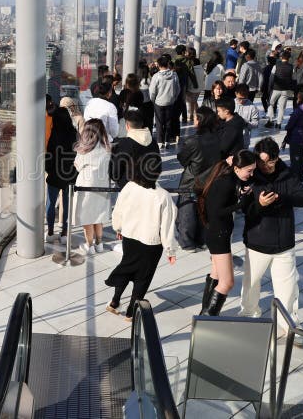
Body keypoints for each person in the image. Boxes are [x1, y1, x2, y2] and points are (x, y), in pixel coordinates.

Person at [239, 138, 303, 336]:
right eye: (261, 162)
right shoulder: (250, 177)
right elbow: (245, 210)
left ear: (277, 158)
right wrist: (260, 204)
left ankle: (289, 326)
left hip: (284, 244)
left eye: (269, 162)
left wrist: (281, 198)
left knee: (287, 289)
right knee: (251, 285)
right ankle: (248, 317)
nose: (265, 166)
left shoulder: (287, 174)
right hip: (257, 243)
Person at [107, 155, 178, 321]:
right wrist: (170, 250)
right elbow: (167, 226)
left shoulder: (129, 186)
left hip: (129, 236)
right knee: (143, 277)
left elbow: (118, 210)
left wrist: (118, 227)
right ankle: (131, 312)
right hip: (151, 243)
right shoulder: (163, 195)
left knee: (127, 267)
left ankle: (114, 302)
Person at [197, 149, 258, 316]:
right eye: (249, 171)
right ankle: (206, 320)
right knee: (227, 282)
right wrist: (242, 203)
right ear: (237, 168)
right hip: (218, 235)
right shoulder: (226, 183)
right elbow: (217, 211)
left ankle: (204, 315)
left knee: (216, 274)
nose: (251, 174)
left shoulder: (229, 177)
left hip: (216, 232)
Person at [176, 106, 221, 252]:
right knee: (203, 211)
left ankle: (187, 243)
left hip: (191, 181)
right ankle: (202, 240)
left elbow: (182, 159)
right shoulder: (218, 138)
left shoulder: (193, 141)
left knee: (187, 212)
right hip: (210, 180)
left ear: (200, 120)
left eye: (196, 117)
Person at [72, 119, 111, 254]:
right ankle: (99, 244)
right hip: (102, 186)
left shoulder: (84, 150)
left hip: (86, 186)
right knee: (98, 216)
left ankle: (90, 246)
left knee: (87, 217)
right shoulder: (107, 148)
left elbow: (77, 166)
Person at [45, 98, 78, 244]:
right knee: (66, 203)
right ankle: (64, 232)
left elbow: (49, 155)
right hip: (70, 173)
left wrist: (49, 170)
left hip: (54, 173)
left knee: (51, 202)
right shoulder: (73, 133)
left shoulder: (54, 134)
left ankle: (50, 231)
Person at [109, 108, 161, 190]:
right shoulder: (153, 142)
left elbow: (115, 173)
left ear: (127, 126)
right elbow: (158, 165)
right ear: (142, 123)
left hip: (129, 187)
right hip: (149, 185)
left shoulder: (124, 144)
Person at [149, 54, 180, 149]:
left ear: (158, 65)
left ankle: (159, 141)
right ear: (168, 64)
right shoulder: (174, 75)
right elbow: (178, 89)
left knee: (159, 122)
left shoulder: (156, 76)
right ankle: (167, 141)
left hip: (159, 102)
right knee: (168, 122)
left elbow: (152, 91)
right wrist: (174, 98)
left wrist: (153, 100)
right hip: (170, 101)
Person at [282, 91, 303, 181]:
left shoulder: (298, 111)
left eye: (297, 97)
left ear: (301, 99)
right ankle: (301, 175)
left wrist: (286, 127)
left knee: (295, 158)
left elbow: (291, 124)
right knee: (302, 157)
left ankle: (295, 177)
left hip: (296, 137)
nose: (296, 99)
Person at [267, 50, 295, 129]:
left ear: (281, 57)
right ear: (289, 58)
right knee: (282, 107)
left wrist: (269, 87)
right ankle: (279, 123)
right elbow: (293, 78)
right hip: (285, 90)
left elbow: (271, 78)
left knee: (270, 104)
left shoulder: (276, 66)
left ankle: (271, 119)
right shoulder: (291, 67)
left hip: (276, 88)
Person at [234, 84, 259, 148]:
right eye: (239, 98)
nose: (241, 101)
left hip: (244, 140)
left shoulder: (252, 107)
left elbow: (256, 124)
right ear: (236, 93)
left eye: (244, 98)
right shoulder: (231, 104)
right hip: (231, 138)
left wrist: (246, 123)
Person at [186, 47, 206, 124]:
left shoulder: (189, 62)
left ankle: (192, 115)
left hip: (193, 86)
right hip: (199, 85)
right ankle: (197, 114)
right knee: (194, 101)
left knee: (192, 101)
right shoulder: (197, 61)